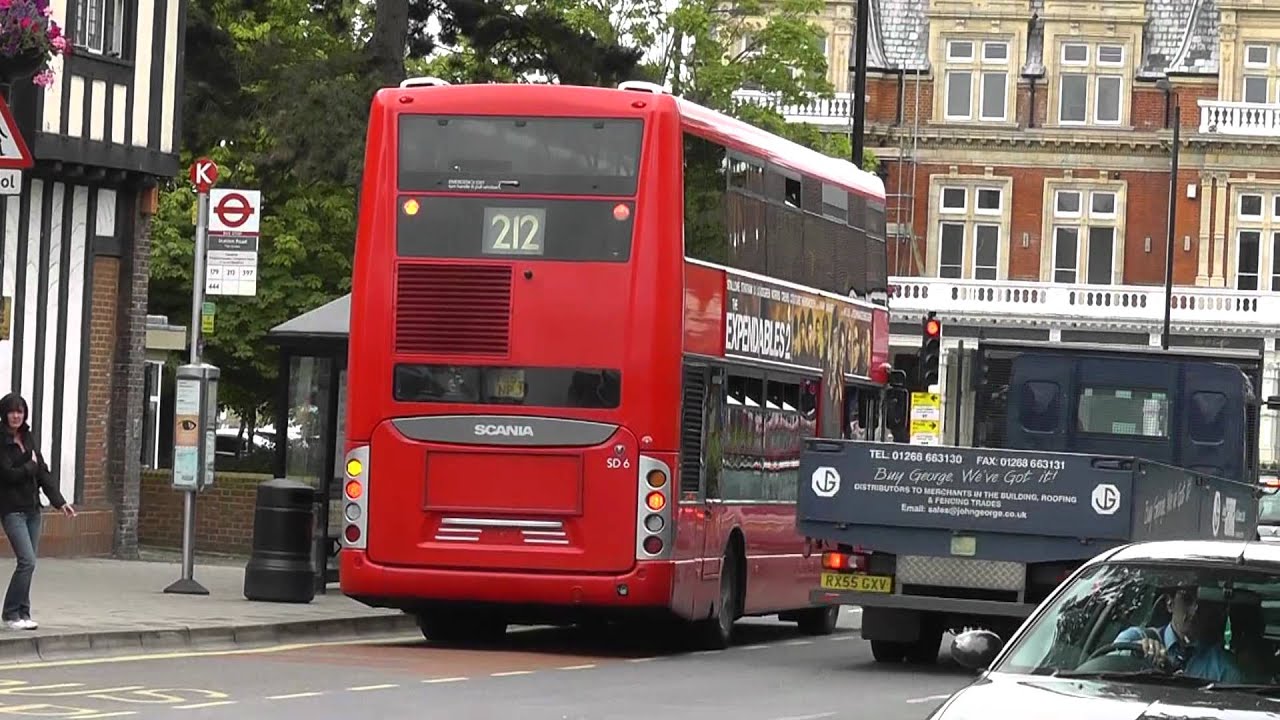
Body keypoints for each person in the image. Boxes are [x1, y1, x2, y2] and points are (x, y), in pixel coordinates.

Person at [0, 393, 75, 630]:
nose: (16, 415)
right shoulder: (1, 440)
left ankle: (23, 612)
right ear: (4, 413)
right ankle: (11, 613)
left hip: (33, 510)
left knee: (30, 563)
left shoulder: (28, 437)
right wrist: (29, 464)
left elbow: (42, 472)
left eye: (20, 411)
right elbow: (7, 474)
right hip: (12, 510)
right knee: (27, 561)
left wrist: (60, 502)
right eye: (12, 411)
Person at [1113, 584, 1244, 683]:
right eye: (1187, 599)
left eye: (1204, 603)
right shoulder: (1134, 638)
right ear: (1169, 603)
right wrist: (1134, 653)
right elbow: (1103, 669)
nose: (1195, 610)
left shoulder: (1223, 667)